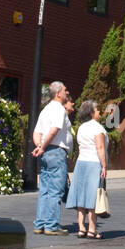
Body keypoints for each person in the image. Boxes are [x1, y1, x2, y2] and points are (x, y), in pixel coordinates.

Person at [32, 81, 73, 233]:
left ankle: (40, 224)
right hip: (56, 151)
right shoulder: (58, 109)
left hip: (45, 153)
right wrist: (42, 147)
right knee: (56, 189)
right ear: (58, 93)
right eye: (65, 90)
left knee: (44, 189)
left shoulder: (45, 110)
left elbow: (37, 132)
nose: (66, 93)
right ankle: (51, 225)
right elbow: (54, 130)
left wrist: (39, 146)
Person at [66, 99, 108, 238]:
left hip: (81, 163)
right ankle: (92, 229)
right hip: (94, 163)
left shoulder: (82, 127)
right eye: (97, 110)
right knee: (92, 197)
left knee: (81, 197)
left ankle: (81, 228)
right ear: (91, 112)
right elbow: (100, 147)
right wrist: (104, 165)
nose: (99, 112)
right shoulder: (98, 128)